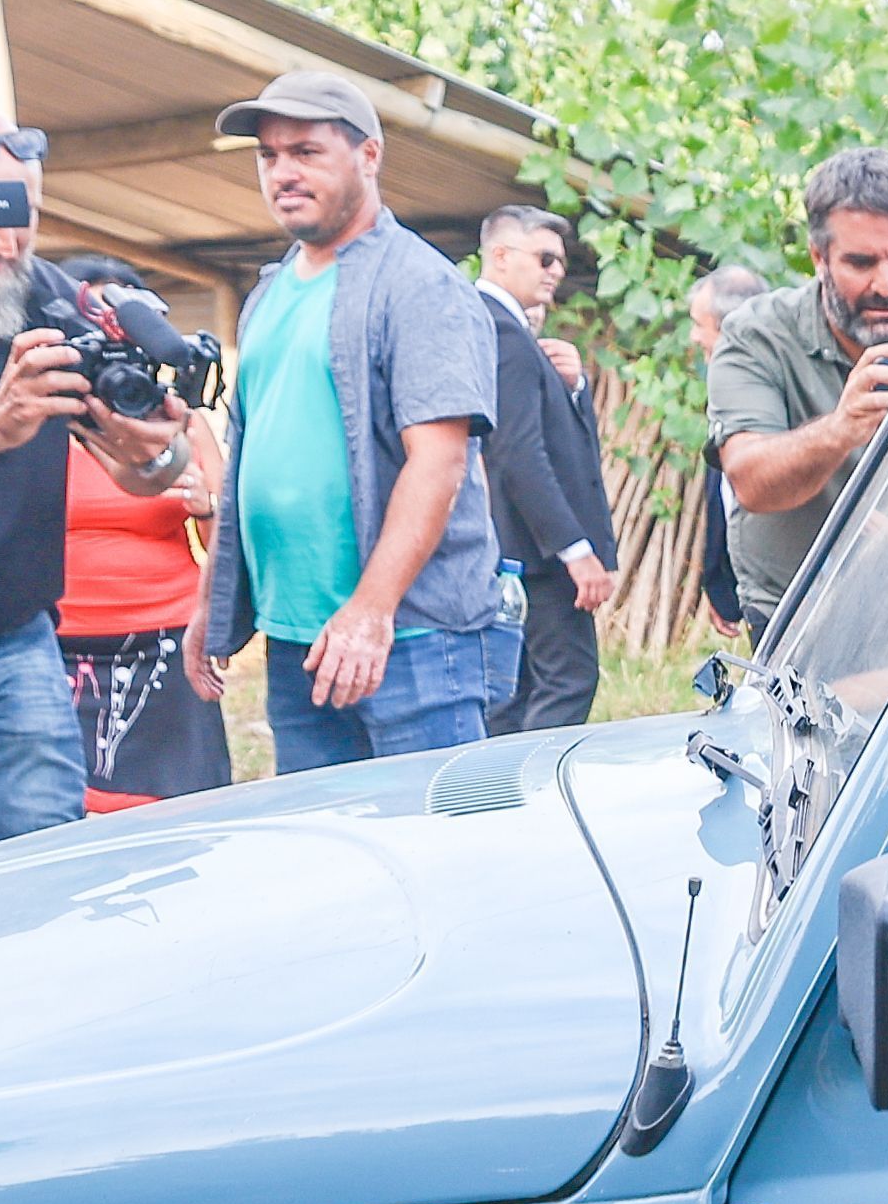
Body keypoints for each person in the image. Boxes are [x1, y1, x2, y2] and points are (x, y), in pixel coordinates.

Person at [204, 68, 500, 782]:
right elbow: (251, 455)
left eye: (306, 152)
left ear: (368, 156)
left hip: (409, 639)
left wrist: (371, 610)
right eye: (268, 156)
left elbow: (438, 462)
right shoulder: (269, 293)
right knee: (331, 876)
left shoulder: (419, 285)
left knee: (438, 860)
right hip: (297, 641)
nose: (282, 172)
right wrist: (211, 604)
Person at [0, 99, 188, 840]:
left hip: (11, 632)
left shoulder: (50, 296)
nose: (5, 239)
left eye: (23, 213)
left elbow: (153, 469)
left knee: (41, 862)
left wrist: (154, 451)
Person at [711, 150, 888, 628]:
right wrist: (841, 429)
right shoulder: (757, 335)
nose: (887, 284)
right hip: (800, 613)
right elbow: (750, 482)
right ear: (818, 257)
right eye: (861, 263)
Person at [46, 253, 228, 808]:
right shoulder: (42, 417)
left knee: (181, 814)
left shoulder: (179, 421)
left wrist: (205, 506)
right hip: (57, 649)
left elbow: (224, 533)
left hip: (164, 644)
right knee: (58, 812)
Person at [471, 206, 619, 735]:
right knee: (566, 681)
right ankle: (525, 798)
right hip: (534, 553)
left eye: (561, 259)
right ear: (503, 256)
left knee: (521, 690)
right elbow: (518, 454)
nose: (557, 269)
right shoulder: (502, 331)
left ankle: (503, 797)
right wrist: (576, 552)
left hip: (517, 549)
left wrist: (573, 388)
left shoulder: (504, 328)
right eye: (545, 257)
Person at [686, 264, 763, 635]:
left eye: (699, 325)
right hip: (751, 586)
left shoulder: (774, 391)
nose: (693, 335)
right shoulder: (724, 386)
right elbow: (723, 493)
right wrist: (721, 582)